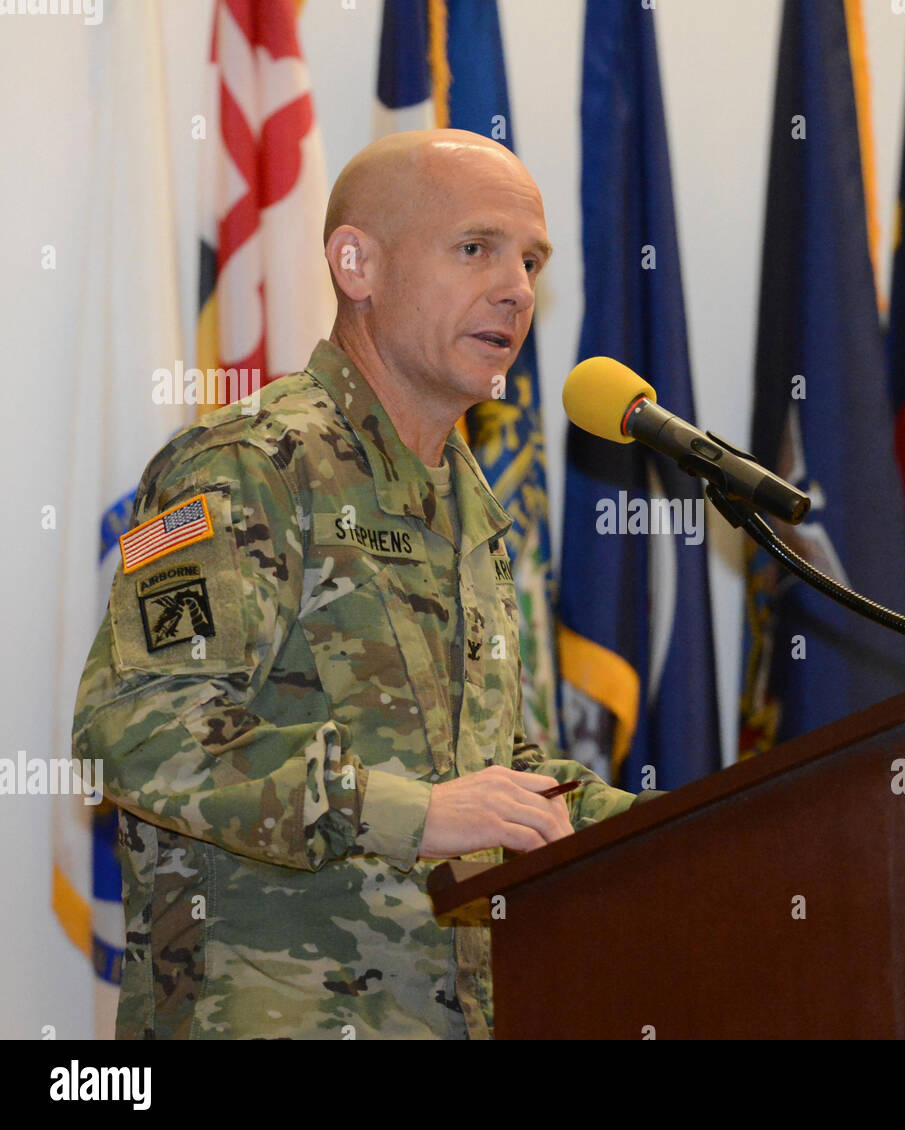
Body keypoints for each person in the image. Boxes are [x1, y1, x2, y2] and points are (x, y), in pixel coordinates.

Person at [72, 130, 647, 1040]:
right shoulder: (244, 468)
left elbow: (488, 778)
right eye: (476, 248)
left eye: (531, 259)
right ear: (356, 264)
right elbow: (136, 733)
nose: (517, 289)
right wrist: (411, 814)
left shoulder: (467, 504)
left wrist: (715, 824)